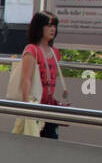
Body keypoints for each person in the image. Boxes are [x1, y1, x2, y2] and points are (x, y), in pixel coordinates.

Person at [19, 10, 69, 139]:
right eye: (49, 25)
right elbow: (26, 79)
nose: (53, 29)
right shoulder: (32, 50)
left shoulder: (55, 53)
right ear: (39, 27)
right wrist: (26, 106)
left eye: (54, 25)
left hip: (49, 108)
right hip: (35, 107)